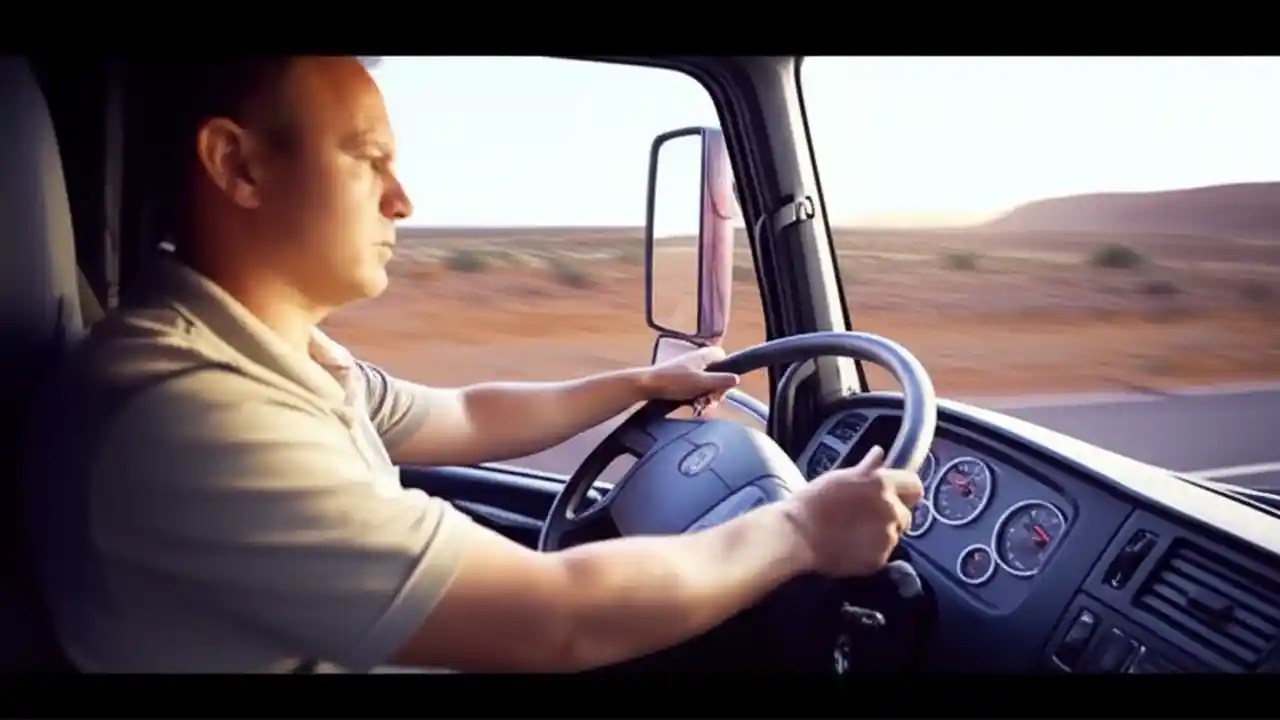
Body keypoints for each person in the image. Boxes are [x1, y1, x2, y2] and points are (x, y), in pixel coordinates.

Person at [22, 56, 923, 673]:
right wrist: (802, 532)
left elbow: (461, 416)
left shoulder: (268, 354)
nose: (403, 199)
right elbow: (557, 616)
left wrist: (639, 384)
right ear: (239, 165)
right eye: (369, 159)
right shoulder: (185, 415)